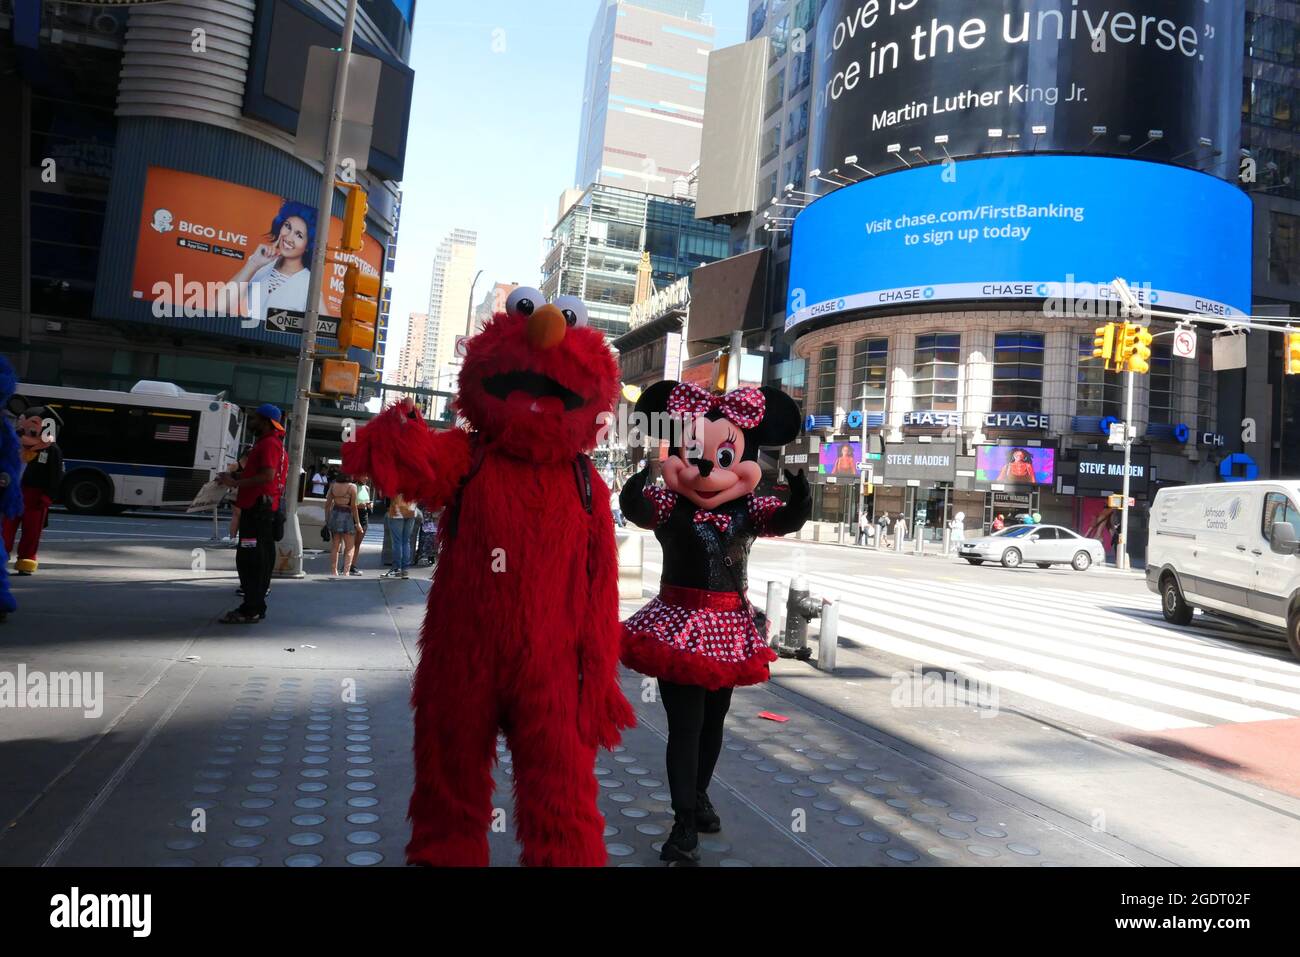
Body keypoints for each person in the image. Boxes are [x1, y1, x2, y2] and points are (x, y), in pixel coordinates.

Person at [620, 381, 808, 865]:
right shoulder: (669, 505)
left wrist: (801, 495)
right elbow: (637, 508)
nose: (706, 468)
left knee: (713, 723)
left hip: (728, 628)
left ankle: (699, 796)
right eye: (695, 454)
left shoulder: (749, 509)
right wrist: (641, 479)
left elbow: (785, 518)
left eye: (723, 457)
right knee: (686, 726)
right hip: (678, 626)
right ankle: (683, 822)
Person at [217, 404, 287, 624]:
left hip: (256, 512)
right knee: (260, 559)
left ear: (266, 421)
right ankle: (255, 606)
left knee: (251, 560)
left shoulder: (268, 445)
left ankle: (251, 609)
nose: (252, 422)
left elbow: (266, 476)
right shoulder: (276, 446)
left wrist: (234, 482)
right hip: (264, 511)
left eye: (255, 418)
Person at [221, 201, 324, 323]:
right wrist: (253, 264)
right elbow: (219, 308)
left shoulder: (309, 285)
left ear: (308, 246)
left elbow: (327, 331)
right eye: (288, 226)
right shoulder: (259, 263)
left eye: (299, 235)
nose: (289, 237)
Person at [4, 403, 64, 575]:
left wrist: (48, 496)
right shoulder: (12, 445)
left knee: (32, 531)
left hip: (35, 496)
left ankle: (26, 560)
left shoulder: (51, 450)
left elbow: (55, 475)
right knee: (5, 528)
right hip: (13, 492)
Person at [325, 472, 360, 577]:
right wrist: (357, 522)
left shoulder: (333, 485)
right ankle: (346, 572)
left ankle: (334, 571)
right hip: (347, 516)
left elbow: (327, 504)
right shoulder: (352, 487)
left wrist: (327, 520)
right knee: (350, 546)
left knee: (335, 546)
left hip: (335, 515)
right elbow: (354, 506)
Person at [384, 492, 418, 579]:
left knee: (397, 542)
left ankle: (397, 568)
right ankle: (405, 568)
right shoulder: (414, 481)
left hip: (397, 512)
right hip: (411, 510)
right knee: (406, 541)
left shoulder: (397, 479)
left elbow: (389, 492)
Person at [350, 476, 372, 575]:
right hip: (353, 515)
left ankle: (353, 566)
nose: (366, 478)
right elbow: (348, 503)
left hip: (364, 516)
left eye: (367, 476)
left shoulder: (366, 488)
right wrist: (359, 505)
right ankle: (347, 565)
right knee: (350, 543)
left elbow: (368, 502)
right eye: (364, 475)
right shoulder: (352, 486)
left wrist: (369, 505)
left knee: (357, 543)